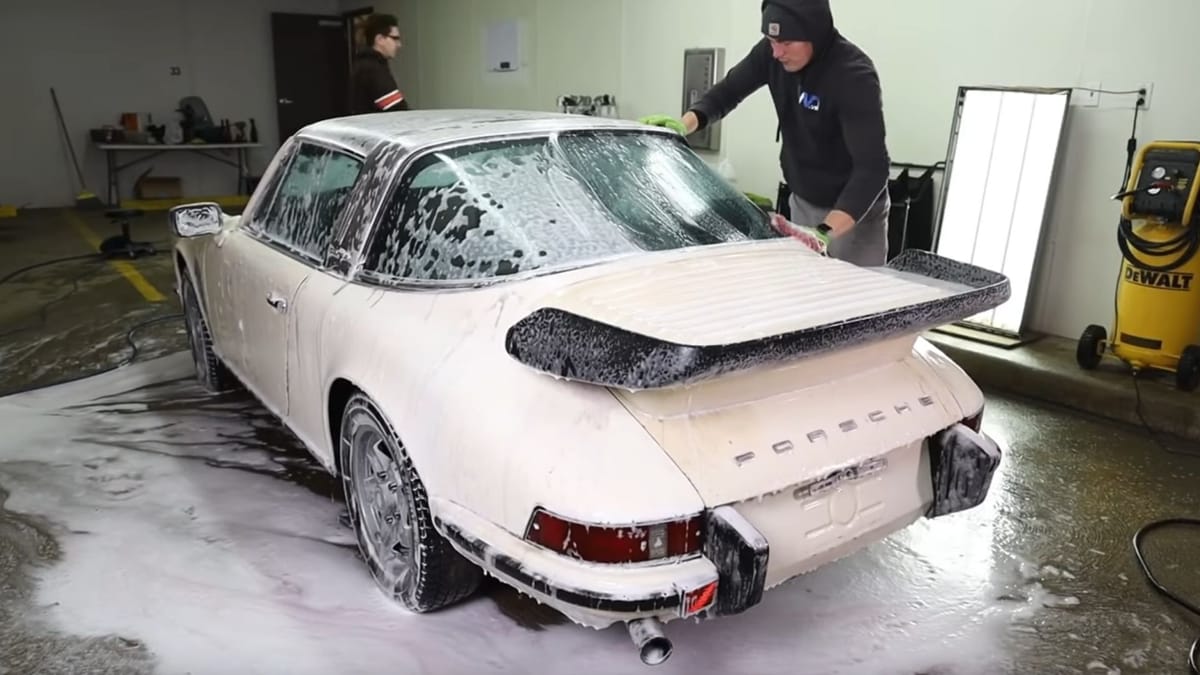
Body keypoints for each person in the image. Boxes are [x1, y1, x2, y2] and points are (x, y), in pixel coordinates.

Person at [641, 0, 891, 266]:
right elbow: (727, 92)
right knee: (807, 290)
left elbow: (872, 169)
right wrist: (684, 125)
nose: (776, 52)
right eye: (772, 40)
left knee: (855, 297)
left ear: (814, 33)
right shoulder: (771, 54)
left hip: (852, 214)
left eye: (786, 43)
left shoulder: (853, 75)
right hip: (803, 200)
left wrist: (824, 232)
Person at [350, 14, 410, 115]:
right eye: (395, 38)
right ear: (379, 40)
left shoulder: (365, 64)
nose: (399, 44)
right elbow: (398, 111)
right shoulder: (372, 69)